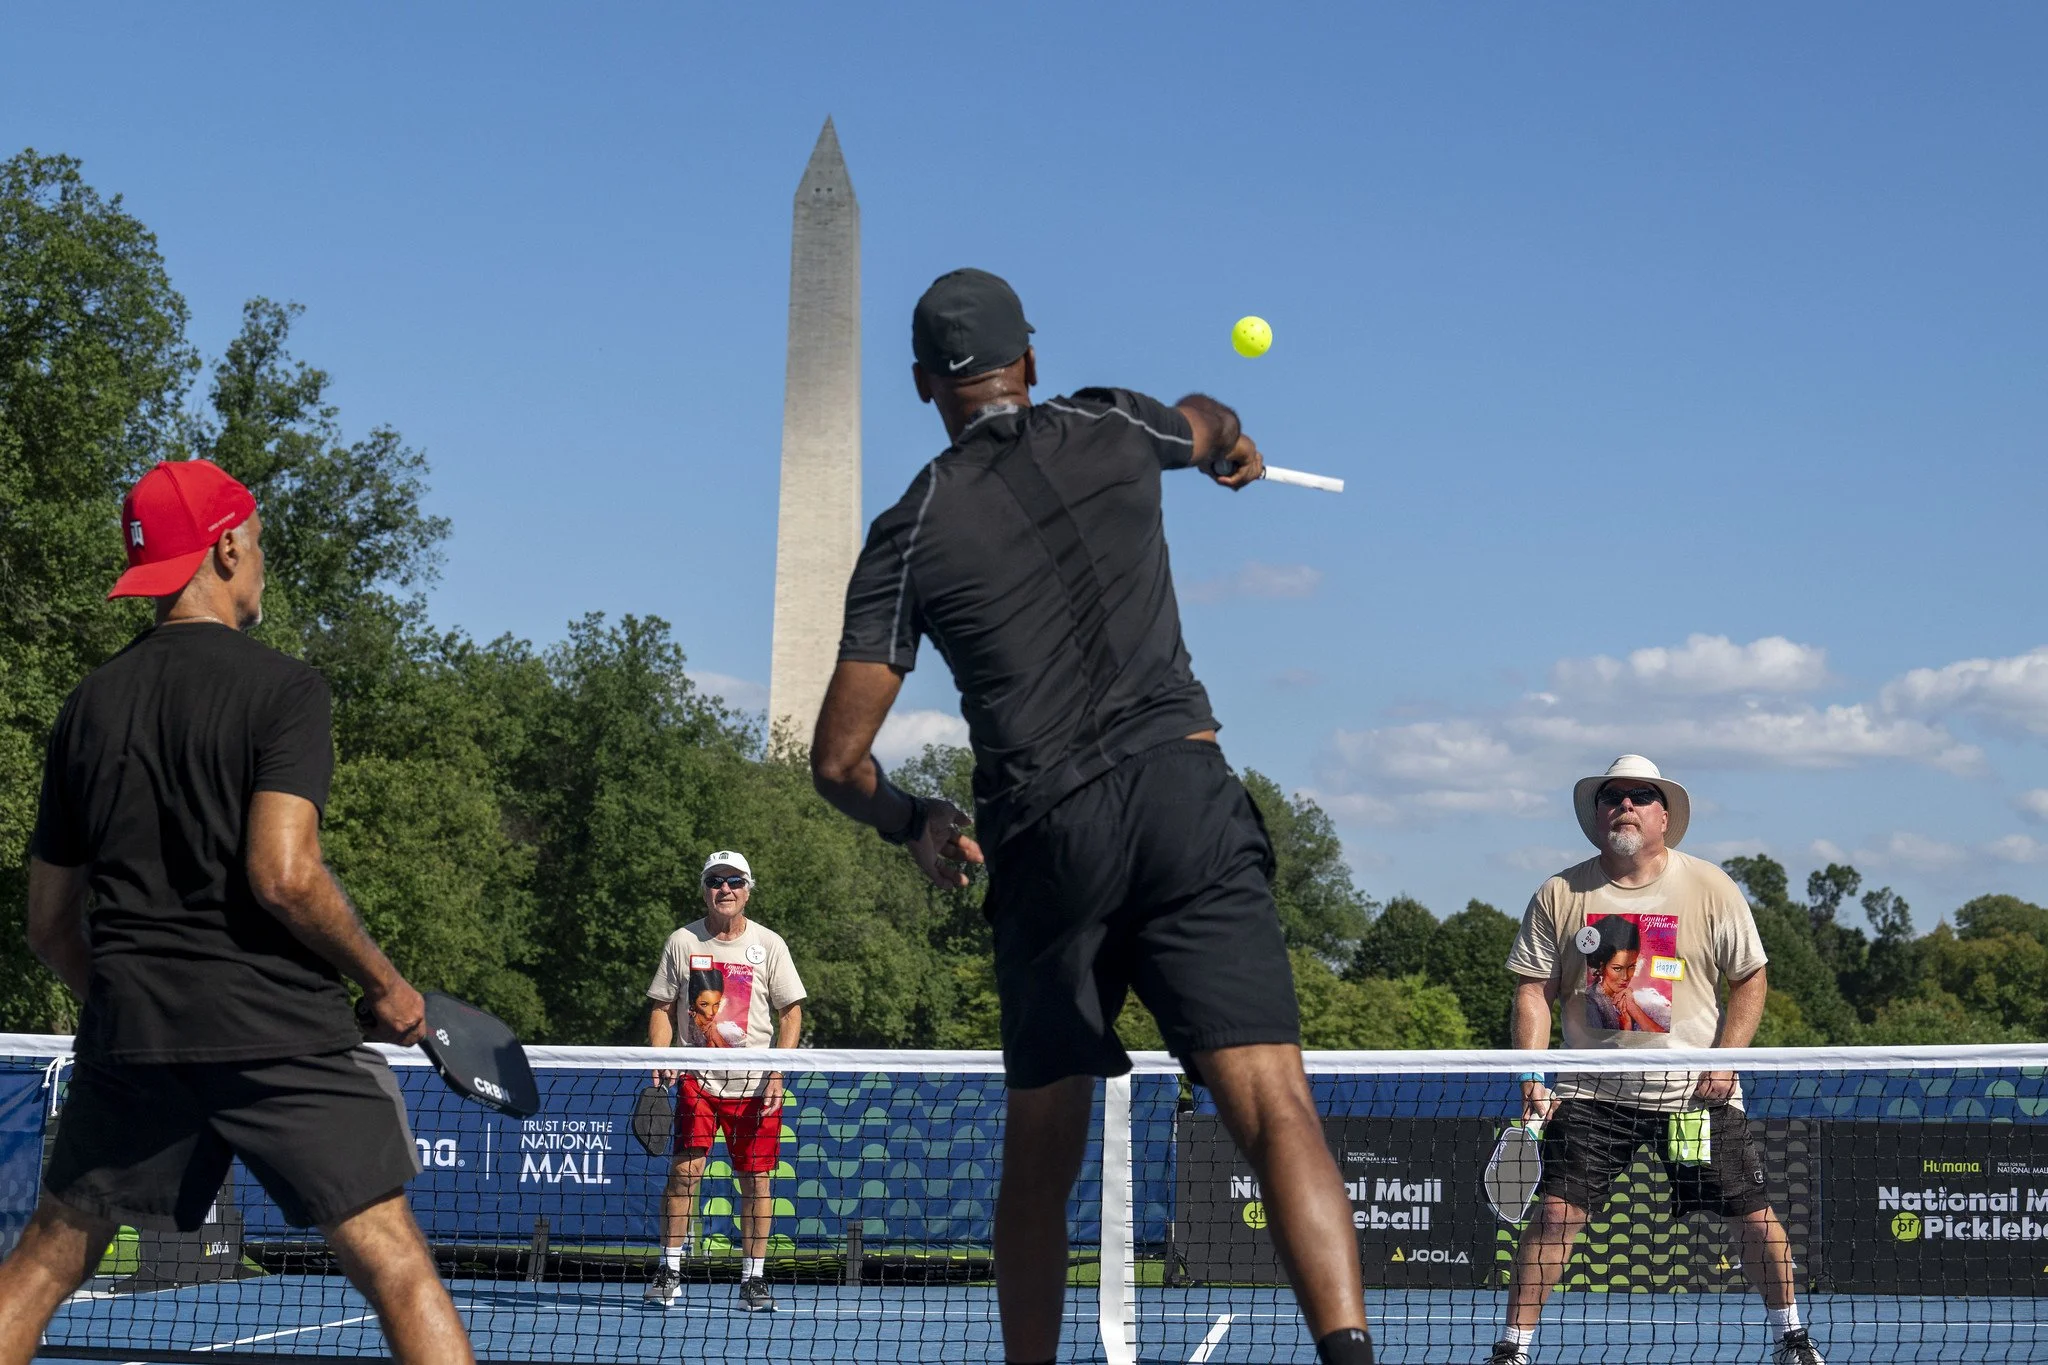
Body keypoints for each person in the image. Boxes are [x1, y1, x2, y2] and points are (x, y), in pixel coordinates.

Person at [810, 269, 1373, 1365]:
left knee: (1040, 1155)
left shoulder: (907, 529)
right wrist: (1229, 447)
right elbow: (1206, 417)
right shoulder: (1112, 423)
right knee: (1276, 1108)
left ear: (924, 384)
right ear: (1029, 360)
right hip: (1185, 796)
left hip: (1045, 838)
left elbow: (837, 762)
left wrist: (913, 818)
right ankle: (1349, 1356)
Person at [0, 460, 472, 1365]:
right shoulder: (287, 689)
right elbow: (285, 876)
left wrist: (131, 1004)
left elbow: (48, 924)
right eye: (256, 545)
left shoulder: (86, 706)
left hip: (132, 1036)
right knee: (398, 1266)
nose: (260, 563)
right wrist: (387, 984)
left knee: (44, 1261)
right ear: (224, 550)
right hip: (277, 1029)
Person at [1489, 755, 1823, 1365]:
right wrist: (1531, 1075)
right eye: (1611, 795)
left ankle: (1793, 1339)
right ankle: (1513, 1349)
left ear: (1664, 815)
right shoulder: (1560, 893)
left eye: (1641, 794)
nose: (1625, 804)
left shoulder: (1710, 886)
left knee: (1752, 1217)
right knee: (1556, 1216)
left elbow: (1750, 977)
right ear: (1597, 814)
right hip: (1591, 1096)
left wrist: (1726, 1061)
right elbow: (1533, 990)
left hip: (1693, 1096)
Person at [643, 850, 806, 1313]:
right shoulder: (682, 941)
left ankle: (753, 1280)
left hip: (755, 1085)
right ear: (705, 890)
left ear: (748, 890)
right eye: (716, 881)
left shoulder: (770, 944)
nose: (725, 889)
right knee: (684, 1173)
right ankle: (669, 1271)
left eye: (734, 881)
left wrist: (777, 1072)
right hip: (697, 1080)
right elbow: (661, 1006)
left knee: (756, 1182)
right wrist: (660, 1056)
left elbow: (790, 1012)